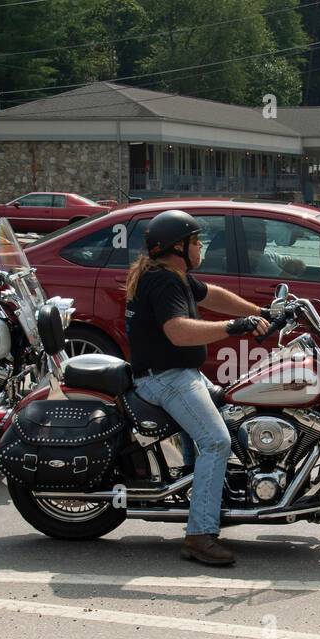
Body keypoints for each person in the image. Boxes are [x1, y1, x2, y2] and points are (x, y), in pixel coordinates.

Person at [124, 210, 271, 566]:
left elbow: (213, 295)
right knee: (216, 441)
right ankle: (200, 535)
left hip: (179, 373)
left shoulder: (174, 276)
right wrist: (235, 326)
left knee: (233, 413)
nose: (201, 246)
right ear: (178, 247)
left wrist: (261, 312)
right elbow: (177, 331)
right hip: (167, 377)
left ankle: (206, 501)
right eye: (195, 241)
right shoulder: (163, 281)